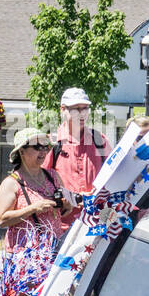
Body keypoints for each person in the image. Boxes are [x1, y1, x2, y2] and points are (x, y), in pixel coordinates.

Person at [0, 129, 72, 252]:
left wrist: (66, 205)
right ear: (22, 151)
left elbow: (64, 208)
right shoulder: (11, 183)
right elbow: (2, 220)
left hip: (53, 250)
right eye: (37, 147)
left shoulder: (53, 176)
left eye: (45, 147)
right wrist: (33, 208)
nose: (43, 151)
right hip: (24, 255)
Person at [46, 87, 111, 227]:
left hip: (96, 222)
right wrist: (62, 199)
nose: (82, 114)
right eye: (76, 109)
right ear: (62, 109)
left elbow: (115, 173)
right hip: (63, 225)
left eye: (85, 108)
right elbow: (39, 182)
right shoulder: (52, 142)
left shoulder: (99, 139)